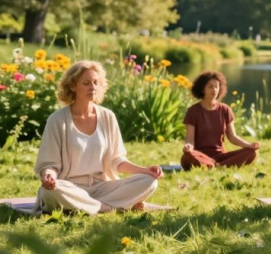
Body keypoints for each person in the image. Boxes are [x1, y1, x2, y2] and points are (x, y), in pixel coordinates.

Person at [35, 60, 163, 214]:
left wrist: (144, 170)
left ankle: (90, 207)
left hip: (103, 188)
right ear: (73, 86)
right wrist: (49, 177)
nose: (93, 87)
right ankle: (109, 207)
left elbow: (117, 161)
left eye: (96, 82)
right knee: (50, 191)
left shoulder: (107, 116)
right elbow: (49, 164)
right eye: (86, 83)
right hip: (70, 188)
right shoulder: (57, 120)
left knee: (149, 182)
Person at [181, 71, 259, 170]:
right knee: (188, 157)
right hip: (200, 155)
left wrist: (249, 145)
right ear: (202, 89)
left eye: (216, 86)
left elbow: (232, 137)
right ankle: (217, 165)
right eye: (210, 87)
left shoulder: (225, 109)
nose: (214, 90)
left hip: (221, 156)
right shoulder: (193, 111)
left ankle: (215, 165)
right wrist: (188, 148)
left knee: (251, 152)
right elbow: (189, 139)